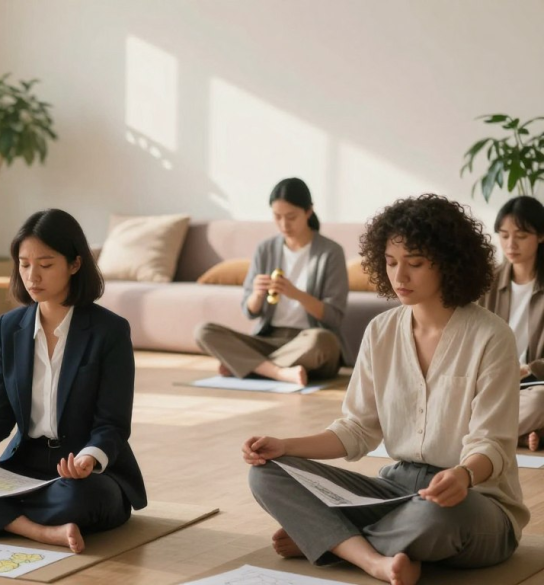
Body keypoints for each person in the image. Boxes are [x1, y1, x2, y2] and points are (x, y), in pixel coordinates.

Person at [244, 194, 528, 585]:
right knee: (266, 474)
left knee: (436, 516)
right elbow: (357, 430)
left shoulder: (491, 336)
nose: (399, 277)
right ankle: (374, 560)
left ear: (448, 263)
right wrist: (286, 446)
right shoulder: (381, 331)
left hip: (474, 500)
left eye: (415, 264)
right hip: (394, 489)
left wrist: (462, 475)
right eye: (391, 263)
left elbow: (492, 444)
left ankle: (330, 540)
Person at [0, 209, 147, 553]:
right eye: (24, 264)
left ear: (75, 264)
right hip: (21, 468)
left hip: (81, 474)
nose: (32, 276)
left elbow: (112, 423)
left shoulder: (109, 331)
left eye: (46, 265)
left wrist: (88, 460)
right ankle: (37, 530)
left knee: (80, 497)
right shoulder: (9, 327)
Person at [195, 178, 347, 386]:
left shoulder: (330, 252)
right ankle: (279, 372)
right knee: (204, 331)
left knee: (323, 341)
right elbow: (250, 312)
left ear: (308, 212)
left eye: (291, 217)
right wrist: (257, 295)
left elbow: (334, 317)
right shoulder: (265, 249)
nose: (284, 224)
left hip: (307, 341)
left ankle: (249, 367)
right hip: (267, 340)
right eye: (277, 217)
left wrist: (296, 294)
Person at [479, 195, 544, 451]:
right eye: (504, 235)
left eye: (521, 235)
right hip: (489, 382)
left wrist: (528, 369)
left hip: (533, 383)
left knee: (540, 401)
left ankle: (470, 434)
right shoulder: (486, 282)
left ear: (540, 236)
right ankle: (523, 434)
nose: (510, 244)